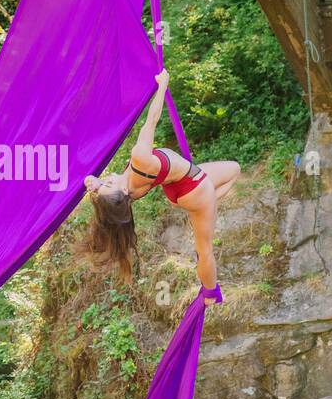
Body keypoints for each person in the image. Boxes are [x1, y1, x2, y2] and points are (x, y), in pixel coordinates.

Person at [84, 70, 240, 290]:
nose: (106, 179)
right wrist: (163, 85)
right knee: (204, 250)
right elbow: (152, 120)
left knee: (234, 170)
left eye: (104, 185)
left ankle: (207, 205)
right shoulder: (139, 160)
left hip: (180, 190)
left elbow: (103, 190)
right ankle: (210, 293)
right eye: (109, 184)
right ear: (123, 193)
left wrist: (94, 183)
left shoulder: (127, 193)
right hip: (194, 188)